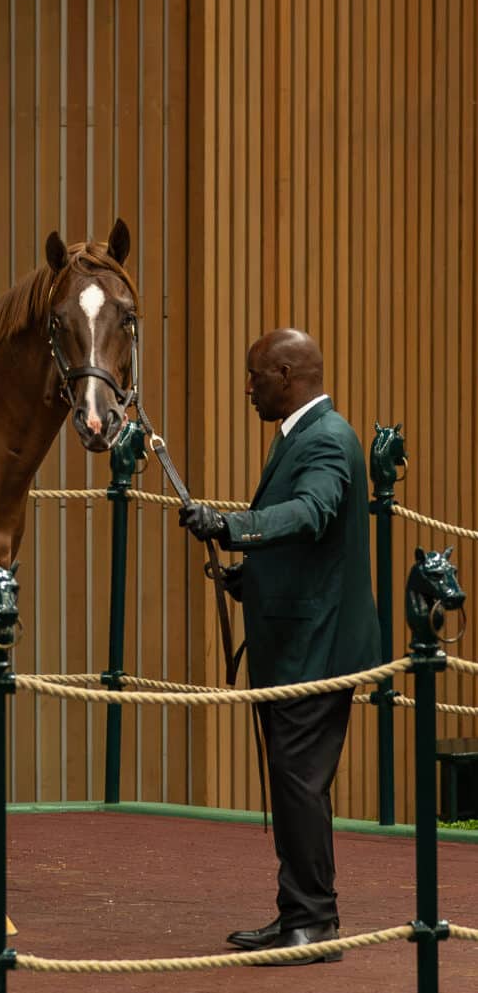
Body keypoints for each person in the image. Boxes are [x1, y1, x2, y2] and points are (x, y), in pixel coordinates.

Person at [179, 329, 380, 966]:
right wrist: (250, 578)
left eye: (254, 376)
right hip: (303, 638)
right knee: (296, 785)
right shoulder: (309, 435)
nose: (247, 388)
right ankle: (299, 912)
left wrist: (232, 527)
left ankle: (314, 921)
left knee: (299, 786)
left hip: (311, 651)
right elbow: (310, 546)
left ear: (287, 374)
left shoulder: (323, 439)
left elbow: (312, 512)